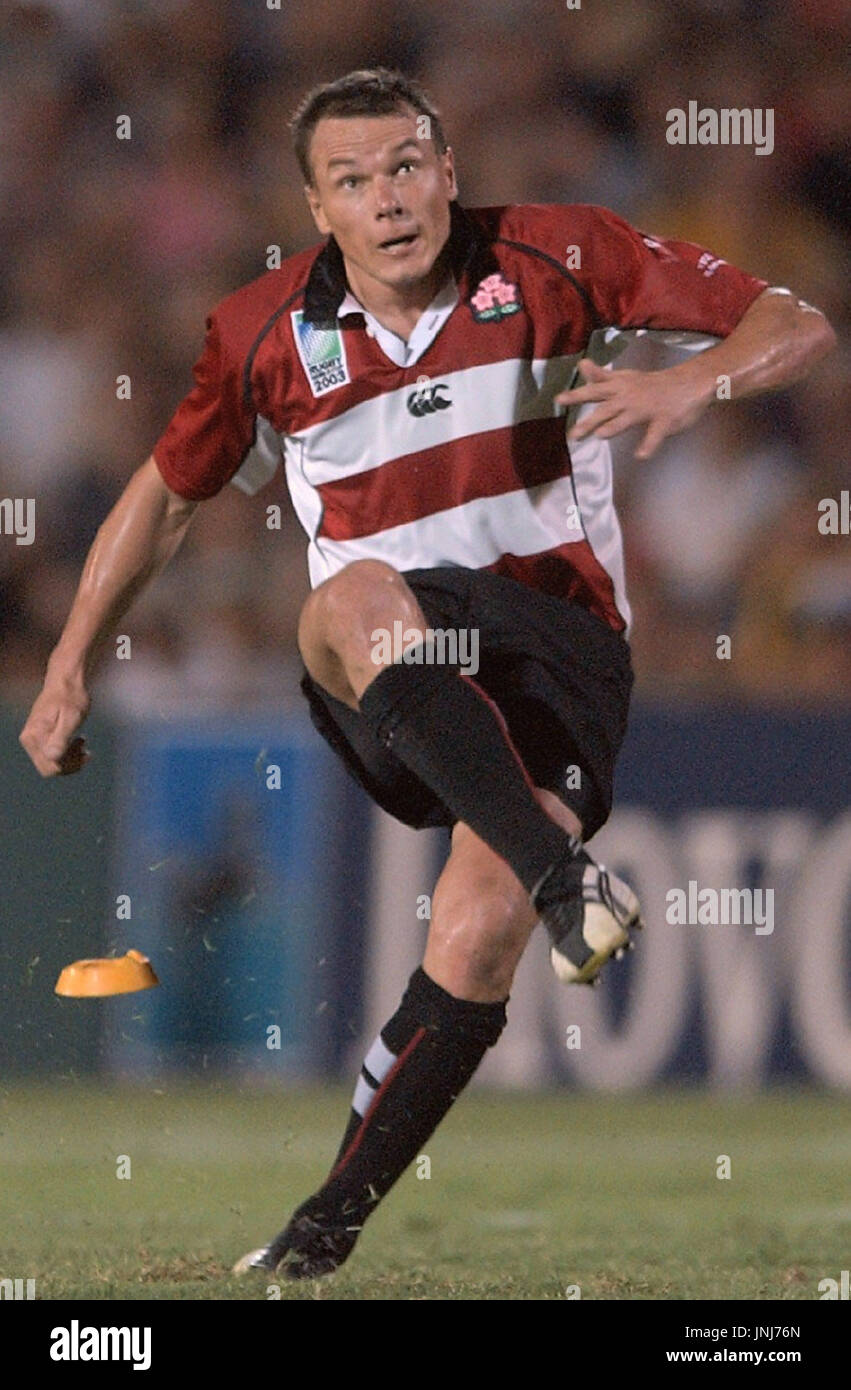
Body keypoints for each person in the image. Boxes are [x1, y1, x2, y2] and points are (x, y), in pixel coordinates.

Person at [19, 68, 835, 1280]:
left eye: (406, 166)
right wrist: (69, 663)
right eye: (352, 180)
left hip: (555, 650)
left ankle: (318, 1233)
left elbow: (794, 322)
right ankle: (568, 881)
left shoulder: (561, 259)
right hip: (382, 651)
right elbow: (166, 499)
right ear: (315, 205)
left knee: (474, 930)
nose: (387, 199)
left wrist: (683, 377)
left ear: (447, 172)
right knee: (349, 597)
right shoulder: (261, 333)